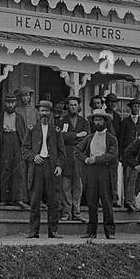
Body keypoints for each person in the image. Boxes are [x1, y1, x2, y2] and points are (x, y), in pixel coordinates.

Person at [24, 99, 63, 238]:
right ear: (38, 113)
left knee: (53, 201)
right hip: (37, 168)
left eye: (47, 111)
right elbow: (25, 149)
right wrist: (33, 156)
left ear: (50, 113)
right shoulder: (32, 129)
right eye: (42, 111)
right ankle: (33, 231)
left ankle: (53, 231)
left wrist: (58, 165)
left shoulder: (56, 131)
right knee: (35, 201)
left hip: (51, 168)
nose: (44, 113)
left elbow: (61, 152)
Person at [81, 109, 118, 239]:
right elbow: (77, 150)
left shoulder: (111, 139)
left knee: (106, 202)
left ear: (105, 121)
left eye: (100, 120)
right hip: (91, 172)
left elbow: (112, 155)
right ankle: (91, 231)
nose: (98, 122)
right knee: (91, 201)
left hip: (104, 171)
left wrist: (96, 159)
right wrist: (85, 158)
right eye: (96, 120)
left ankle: (110, 231)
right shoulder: (89, 138)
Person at [59, 95, 90, 223]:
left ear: (78, 107)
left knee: (78, 186)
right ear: (67, 107)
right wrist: (76, 135)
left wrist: (70, 137)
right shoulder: (62, 121)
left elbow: (86, 138)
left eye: (75, 105)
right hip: (66, 155)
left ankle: (76, 212)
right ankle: (66, 212)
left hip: (79, 156)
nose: (73, 107)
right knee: (65, 185)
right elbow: (61, 136)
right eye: (71, 105)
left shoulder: (84, 122)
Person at [0, 93, 31, 209]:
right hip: (5, 142)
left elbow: (23, 133)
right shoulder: (0, 116)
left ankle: (18, 198)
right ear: (5, 103)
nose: (10, 105)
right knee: (5, 169)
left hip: (16, 142)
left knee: (18, 171)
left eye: (12, 102)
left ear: (15, 103)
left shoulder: (19, 117)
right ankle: (3, 198)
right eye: (8, 102)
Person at [116, 98, 140, 210]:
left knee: (137, 178)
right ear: (130, 108)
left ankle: (134, 200)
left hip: (138, 155)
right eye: (134, 106)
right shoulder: (125, 122)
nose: (136, 108)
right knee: (127, 177)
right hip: (127, 154)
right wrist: (120, 154)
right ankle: (127, 201)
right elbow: (121, 139)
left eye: (138, 107)